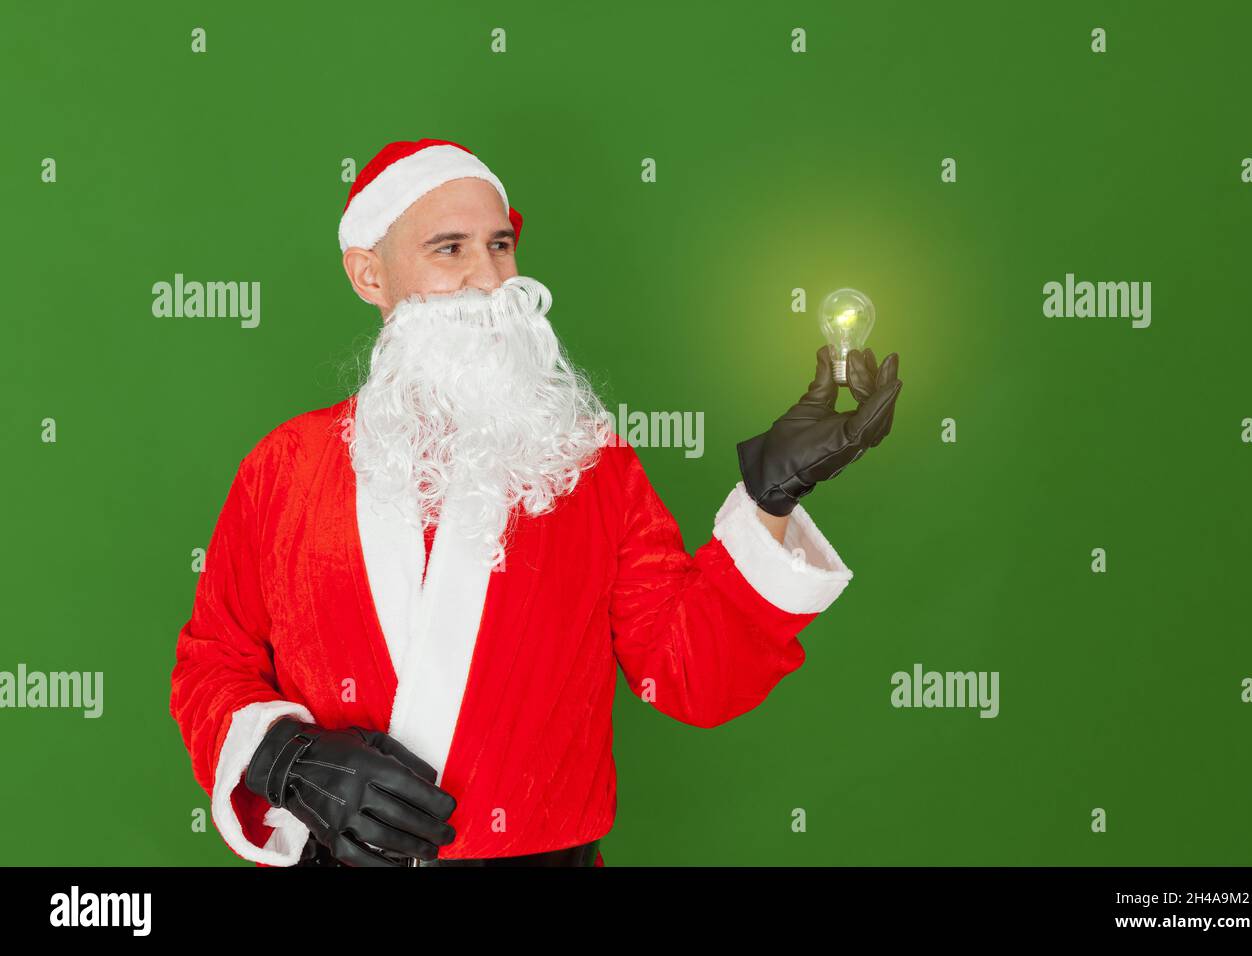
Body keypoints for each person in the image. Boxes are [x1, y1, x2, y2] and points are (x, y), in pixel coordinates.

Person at [169, 137, 904, 867]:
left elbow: (691, 675)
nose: (489, 279)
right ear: (369, 274)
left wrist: (770, 498)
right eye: (449, 249)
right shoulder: (285, 467)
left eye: (500, 246)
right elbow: (213, 661)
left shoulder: (588, 463)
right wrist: (288, 761)